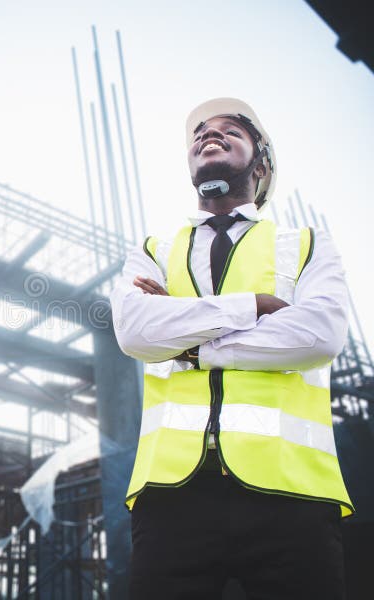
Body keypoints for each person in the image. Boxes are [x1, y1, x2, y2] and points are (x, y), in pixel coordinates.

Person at [110, 97, 354, 599]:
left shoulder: (306, 244)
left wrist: (192, 343)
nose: (208, 134)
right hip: (172, 495)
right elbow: (137, 331)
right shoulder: (155, 249)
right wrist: (253, 306)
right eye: (200, 132)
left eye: (230, 131)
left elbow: (318, 334)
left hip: (292, 492)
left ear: (261, 163)